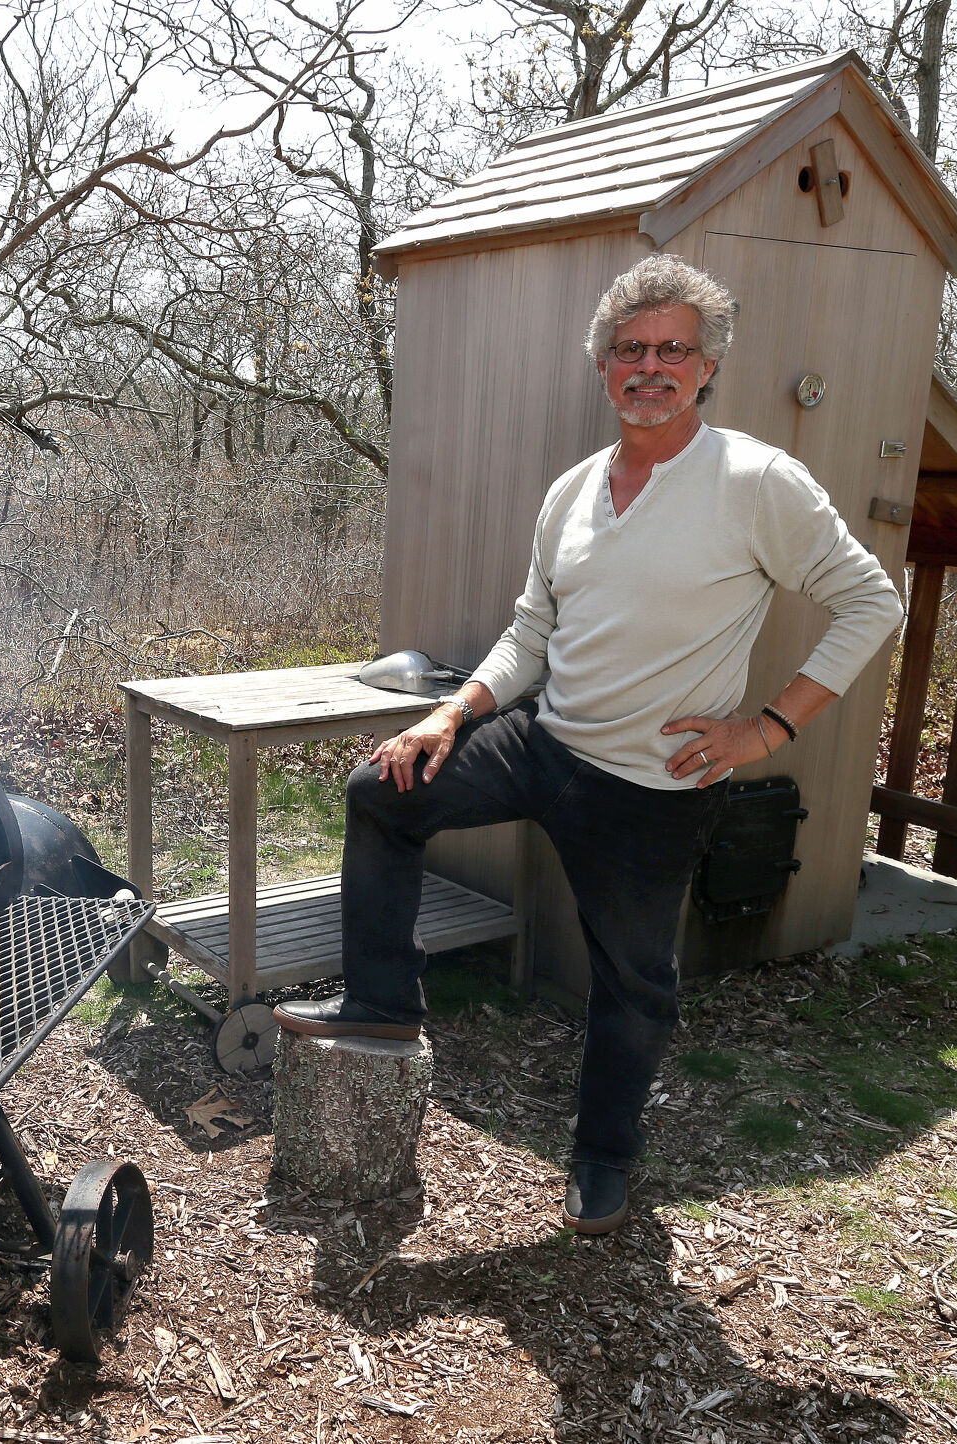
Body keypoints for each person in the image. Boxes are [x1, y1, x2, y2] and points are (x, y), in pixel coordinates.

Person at [272, 253, 904, 1235]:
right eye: (628, 349)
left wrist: (768, 726)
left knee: (632, 978)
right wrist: (453, 712)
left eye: (671, 350)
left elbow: (870, 600)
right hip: (547, 743)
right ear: (602, 365)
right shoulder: (571, 489)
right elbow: (531, 632)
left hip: (651, 785)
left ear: (705, 368)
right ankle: (382, 999)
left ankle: (603, 1157)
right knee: (381, 789)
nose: (647, 366)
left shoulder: (754, 481)